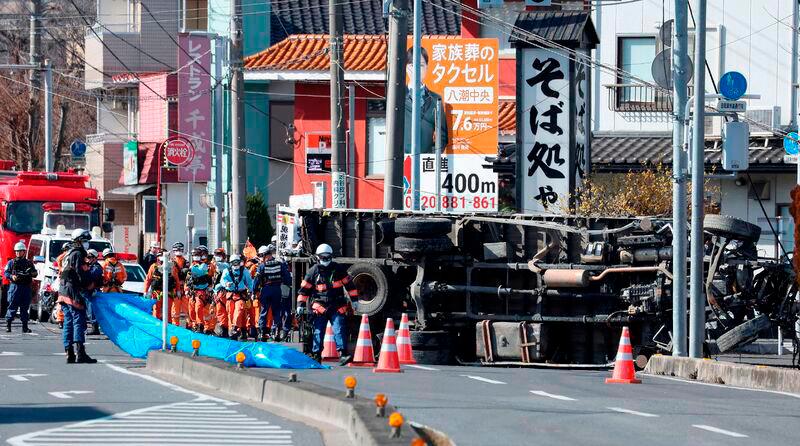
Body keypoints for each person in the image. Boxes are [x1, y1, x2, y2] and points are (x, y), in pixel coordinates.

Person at [296, 244, 359, 365]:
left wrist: (355, 300)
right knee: (318, 331)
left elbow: (350, 285)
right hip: (320, 307)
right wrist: (300, 305)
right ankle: (316, 355)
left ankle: (343, 354)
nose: (325, 260)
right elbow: (304, 290)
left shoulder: (338, 269)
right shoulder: (313, 271)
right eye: (322, 257)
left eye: (327, 257)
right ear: (318, 257)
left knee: (339, 328)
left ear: (331, 256)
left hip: (336, 305)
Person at [57, 229, 97, 364]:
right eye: (85, 241)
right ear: (78, 241)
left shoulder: (68, 254)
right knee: (78, 320)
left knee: (68, 322)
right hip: (72, 291)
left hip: (63, 290)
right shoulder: (78, 254)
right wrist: (91, 286)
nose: (86, 243)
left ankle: (69, 352)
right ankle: (80, 353)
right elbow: (81, 274)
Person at [404, 46, 449, 155]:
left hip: (426, 162)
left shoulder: (435, 99)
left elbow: (442, 135)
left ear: (427, 67)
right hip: (401, 160)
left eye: (421, 65)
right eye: (412, 65)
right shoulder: (398, 98)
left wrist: (432, 155)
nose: (416, 69)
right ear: (406, 68)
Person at [253, 244, 292, 342]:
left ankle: (262, 333)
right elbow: (287, 277)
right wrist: (287, 286)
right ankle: (277, 332)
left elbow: (256, 280)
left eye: (261, 256)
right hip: (277, 290)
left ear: (265, 255)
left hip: (266, 290)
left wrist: (254, 290)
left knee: (264, 311)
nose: (261, 258)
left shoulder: (262, 266)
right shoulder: (280, 264)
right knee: (276, 311)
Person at [4, 241, 36, 333]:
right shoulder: (11, 262)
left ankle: (25, 327)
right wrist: (11, 276)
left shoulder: (29, 263)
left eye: (20, 251)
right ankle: (8, 325)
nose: (17, 253)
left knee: (25, 308)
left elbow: (35, 273)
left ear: (24, 252)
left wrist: (32, 273)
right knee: (12, 306)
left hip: (26, 287)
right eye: (16, 251)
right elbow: (6, 273)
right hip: (15, 287)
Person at [220, 255, 253, 340]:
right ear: (231, 263)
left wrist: (251, 291)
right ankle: (232, 331)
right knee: (230, 313)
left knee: (239, 311)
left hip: (241, 295)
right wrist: (226, 284)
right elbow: (222, 280)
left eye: (237, 262)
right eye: (234, 263)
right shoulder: (226, 271)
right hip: (230, 295)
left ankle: (236, 328)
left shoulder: (244, 271)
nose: (236, 264)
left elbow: (249, 282)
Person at [144, 254, 181, 325]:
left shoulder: (171, 267)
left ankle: (168, 326)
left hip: (168, 293)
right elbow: (148, 279)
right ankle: (156, 326)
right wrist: (146, 291)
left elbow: (176, 280)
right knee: (156, 310)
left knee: (168, 311)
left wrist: (178, 290)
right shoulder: (153, 267)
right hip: (157, 293)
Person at [187, 246, 215, 334]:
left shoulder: (208, 266)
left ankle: (205, 327)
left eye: (203, 254)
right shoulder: (193, 265)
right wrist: (186, 289)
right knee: (192, 310)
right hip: (193, 291)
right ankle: (195, 325)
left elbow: (209, 276)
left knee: (202, 309)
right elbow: (188, 279)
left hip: (204, 291)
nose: (202, 256)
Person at [83, 249, 104, 336]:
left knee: (91, 309)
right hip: (86, 291)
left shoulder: (97, 267)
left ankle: (95, 328)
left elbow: (91, 276)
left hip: (93, 291)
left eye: (90, 257)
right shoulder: (89, 266)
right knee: (86, 309)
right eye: (87, 257)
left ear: (95, 258)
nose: (88, 259)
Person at [211, 248, 230, 337]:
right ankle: (222, 329)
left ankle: (225, 330)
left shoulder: (226, 266)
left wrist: (215, 262)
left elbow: (221, 265)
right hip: (216, 292)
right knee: (218, 312)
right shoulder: (215, 267)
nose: (217, 256)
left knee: (223, 311)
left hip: (223, 292)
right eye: (216, 255)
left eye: (219, 255)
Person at [171, 243, 190, 328]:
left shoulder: (186, 262)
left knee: (188, 310)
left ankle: (189, 327)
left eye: (180, 249)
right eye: (177, 249)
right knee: (175, 311)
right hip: (175, 289)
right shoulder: (171, 262)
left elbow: (189, 276)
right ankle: (175, 328)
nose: (179, 251)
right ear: (174, 251)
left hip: (185, 288)